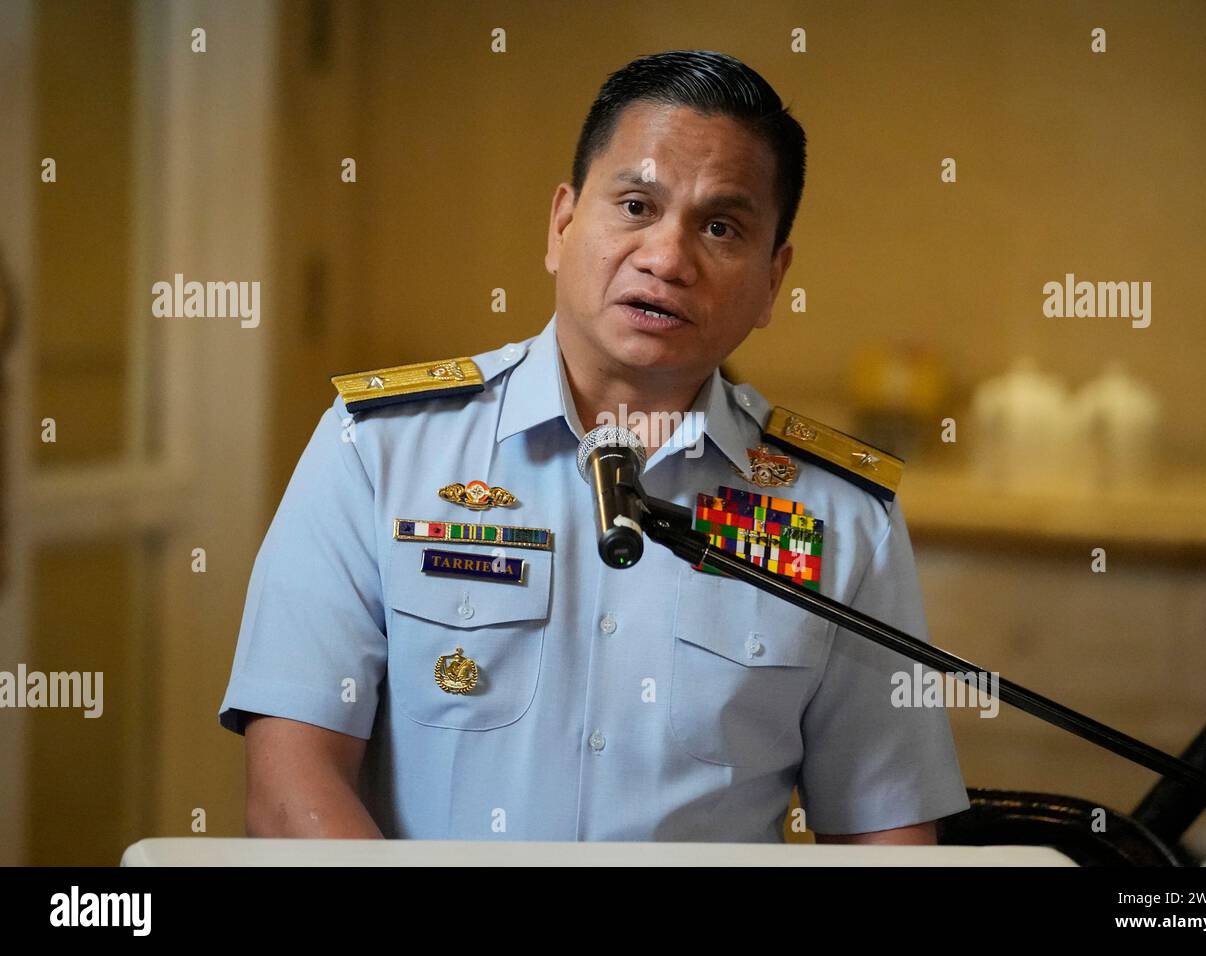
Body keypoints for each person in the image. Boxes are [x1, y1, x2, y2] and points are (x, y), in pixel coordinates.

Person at [218, 49, 970, 844]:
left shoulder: (839, 515)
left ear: (772, 279)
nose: (667, 258)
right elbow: (289, 784)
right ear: (562, 224)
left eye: (721, 227)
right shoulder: (381, 449)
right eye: (637, 206)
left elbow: (887, 831)